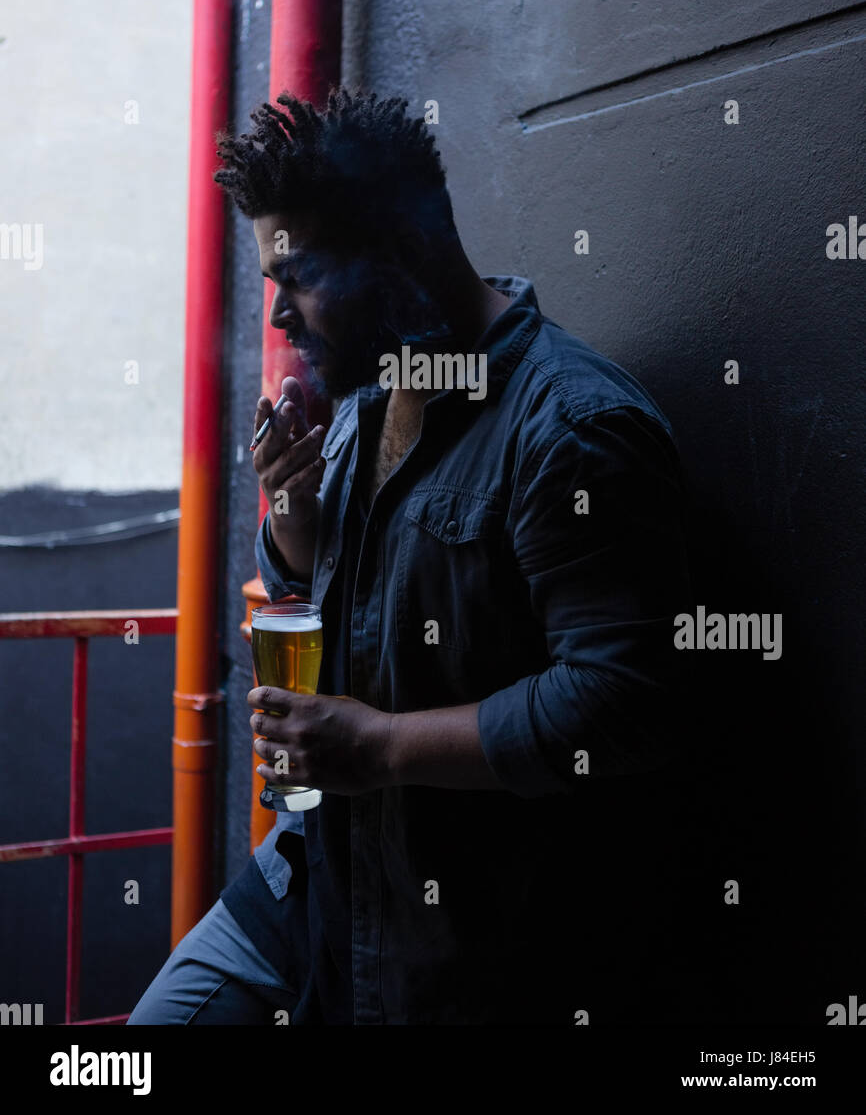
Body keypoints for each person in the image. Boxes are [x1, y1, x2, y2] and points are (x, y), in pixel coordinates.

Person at [129, 86, 696, 1026]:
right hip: (314, 884)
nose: (278, 317)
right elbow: (326, 599)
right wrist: (296, 522)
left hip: (459, 945)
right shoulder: (362, 407)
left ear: (398, 253)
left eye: (296, 278)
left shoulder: (573, 429)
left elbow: (626, 704)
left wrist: (380, 747)